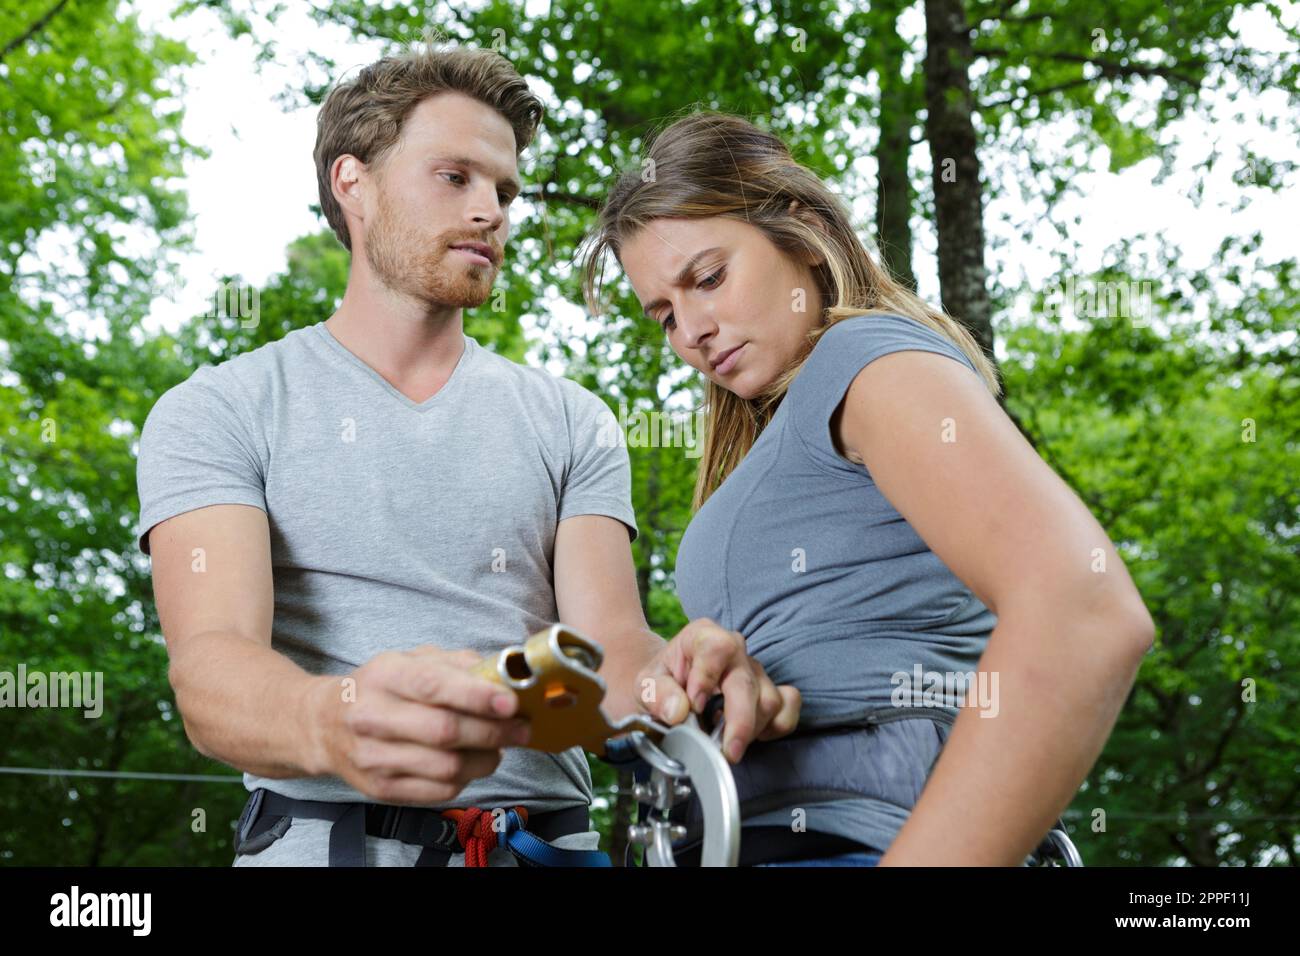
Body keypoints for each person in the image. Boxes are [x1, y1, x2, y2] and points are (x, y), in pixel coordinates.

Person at [135, 48, 800, 867]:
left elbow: (610, 657)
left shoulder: (572, 420)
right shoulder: (219, 409)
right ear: (354, 184)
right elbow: (211, 674)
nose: (491, 210)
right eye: (455, 178)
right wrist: (333, 720)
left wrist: (686, 677)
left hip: (547, 847)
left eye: (504, 190)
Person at [581, 111, 1155, 866]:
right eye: (664, 314)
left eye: (710, 278)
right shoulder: (788, 434)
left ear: (802, 230)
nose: (692, 330)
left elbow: (1085, 610)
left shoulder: (864, 359)